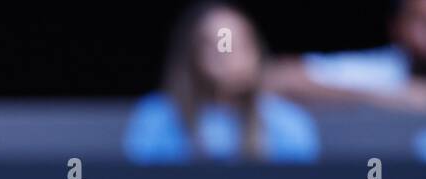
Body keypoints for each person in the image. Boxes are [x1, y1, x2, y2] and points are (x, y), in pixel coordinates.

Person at [125, 2, 320, 163]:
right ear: (192, 53)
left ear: (256, 51)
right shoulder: (158, 119)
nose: (228, 56)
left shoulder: (286, 123)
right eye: (215, 46)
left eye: (241, 45)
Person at [264, 0, 426, 112]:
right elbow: (281, 77)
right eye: (421, 22)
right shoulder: (382, 71)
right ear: (397, 26)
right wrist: (394, 96)